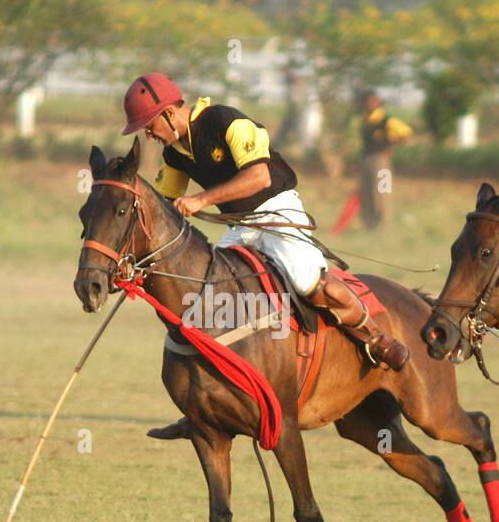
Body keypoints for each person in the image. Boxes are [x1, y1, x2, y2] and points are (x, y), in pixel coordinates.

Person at [119, 73, 409, 439]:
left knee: (306, 281)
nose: (148, 134)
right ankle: (204, 408)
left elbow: (258, 177)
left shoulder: (226, 122)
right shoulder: (174, 153)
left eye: (148, 125)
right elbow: (162, 206)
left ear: (169, 114)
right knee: (204, 301)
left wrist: (201, 200)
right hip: (240, 225)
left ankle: (374, 336)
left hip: (276, 209)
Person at [356, 90, 412, 230]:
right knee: (367, 192)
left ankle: (383, 224)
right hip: (367, 160)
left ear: (378, 102)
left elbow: (406, 133)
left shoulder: (387, 120)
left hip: (381, 161)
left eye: (373, 101)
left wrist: (390, 148)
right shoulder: (366, 120)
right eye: (367, 102)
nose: (370, 104)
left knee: (383, 191)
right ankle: (369, 224)